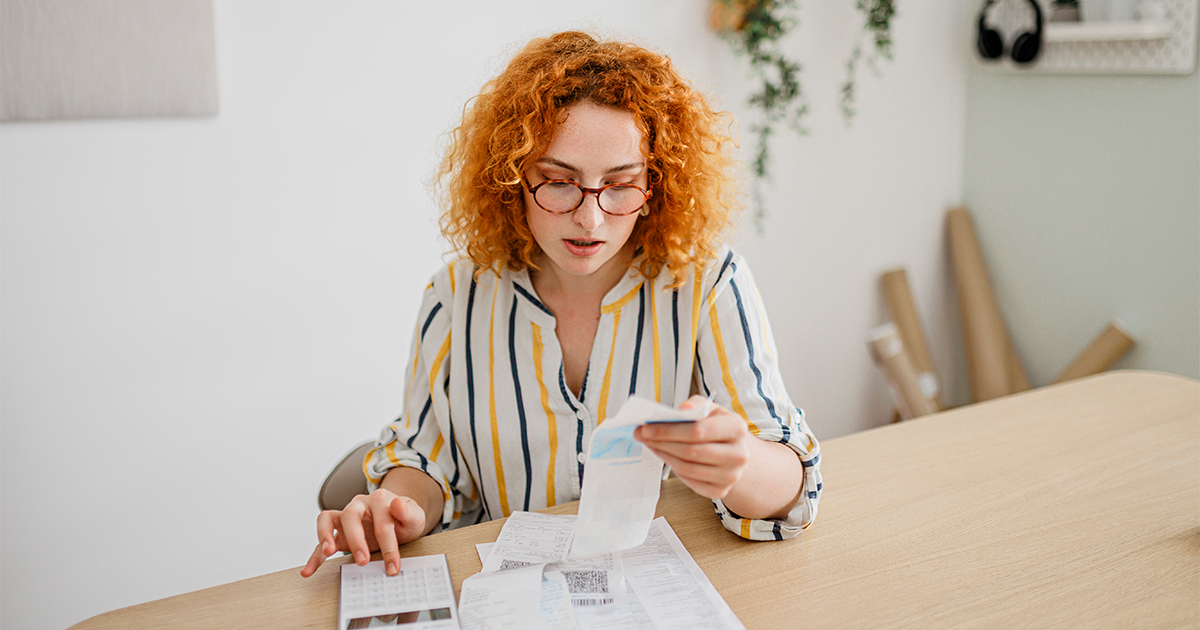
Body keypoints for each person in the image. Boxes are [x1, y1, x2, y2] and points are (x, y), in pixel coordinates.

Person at [302, 30, 822, 579]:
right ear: (512, 178)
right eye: (558, 182)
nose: (590, 219)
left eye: (621, 185)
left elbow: (793, 486)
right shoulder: (457, 296)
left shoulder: (710, 284)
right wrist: (400, 505)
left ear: (657, 185)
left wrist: (738, 464)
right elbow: (426, 461)